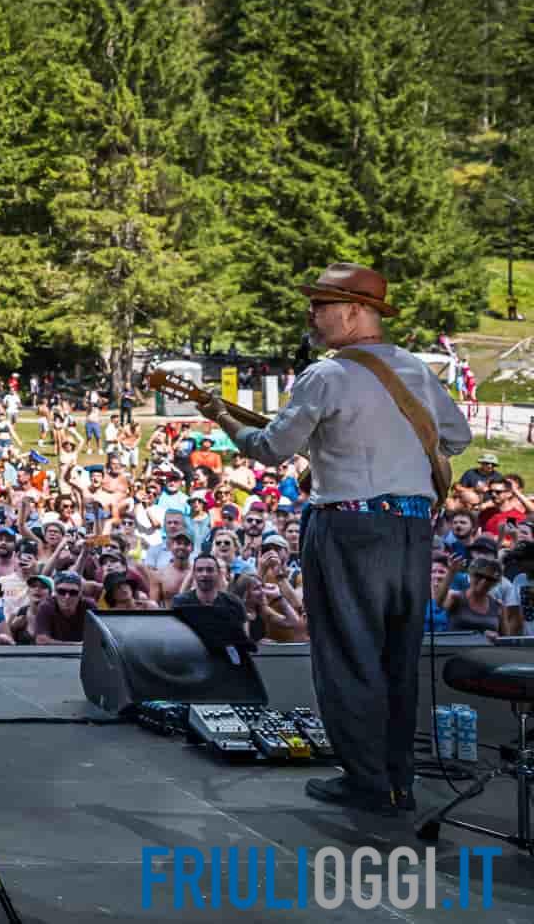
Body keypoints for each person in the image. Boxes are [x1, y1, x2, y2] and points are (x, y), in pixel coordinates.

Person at [197, 262, 472, 816]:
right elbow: (457, 437)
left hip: (348, 527)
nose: (312, 315)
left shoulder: (326, 376)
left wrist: (225, 419)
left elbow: (272, 448)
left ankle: (366, 781)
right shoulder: (415, 369)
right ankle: (399, 780)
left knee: (348, 653)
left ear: (353, 311)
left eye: (321, 305)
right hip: (413, 526)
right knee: (397, 656)